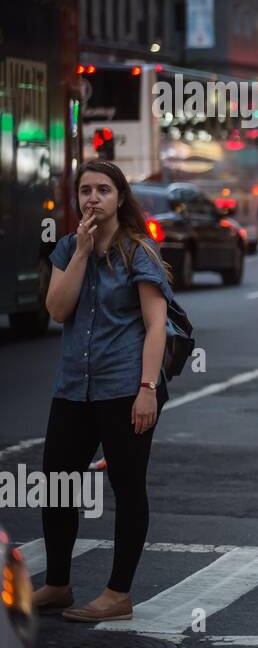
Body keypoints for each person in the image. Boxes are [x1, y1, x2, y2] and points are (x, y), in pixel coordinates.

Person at [32, 161, 173, 623]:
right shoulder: (69, 247)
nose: (92, 198)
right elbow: (57, 308)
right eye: (85, 191)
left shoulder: (139, 253)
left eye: (103, 190)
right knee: (57, 484)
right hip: (73, 388)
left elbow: (156, 328)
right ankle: (57, 584)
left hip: (123, 388)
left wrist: (147, 389)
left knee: (128, 488)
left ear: (120, 198)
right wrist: (80, 254)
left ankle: (118, 593)